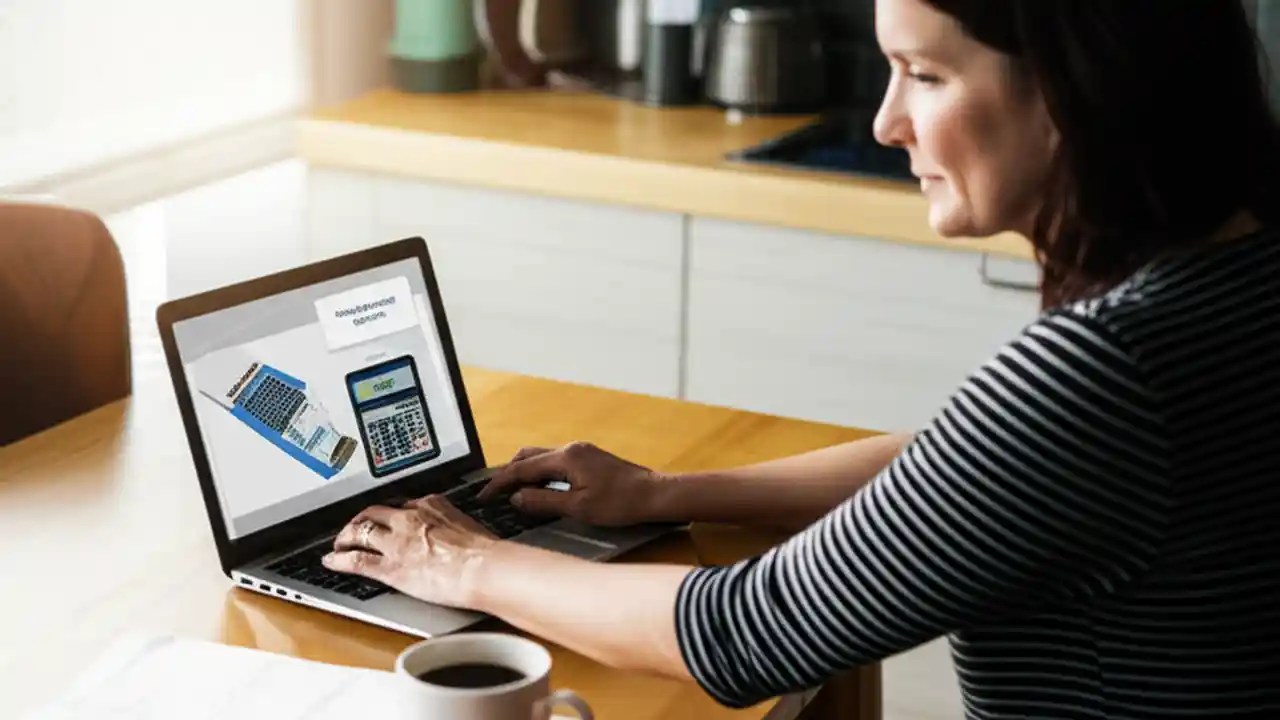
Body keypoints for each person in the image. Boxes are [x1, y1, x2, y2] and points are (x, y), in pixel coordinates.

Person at [324, 1, 1280, 716]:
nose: (886, 122)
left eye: (926, 74)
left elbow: (744, 632)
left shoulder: (1103, 375)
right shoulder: (1236, 275)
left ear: (1077, 86)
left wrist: (459, 565)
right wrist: (666, 493)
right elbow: (958, 463)